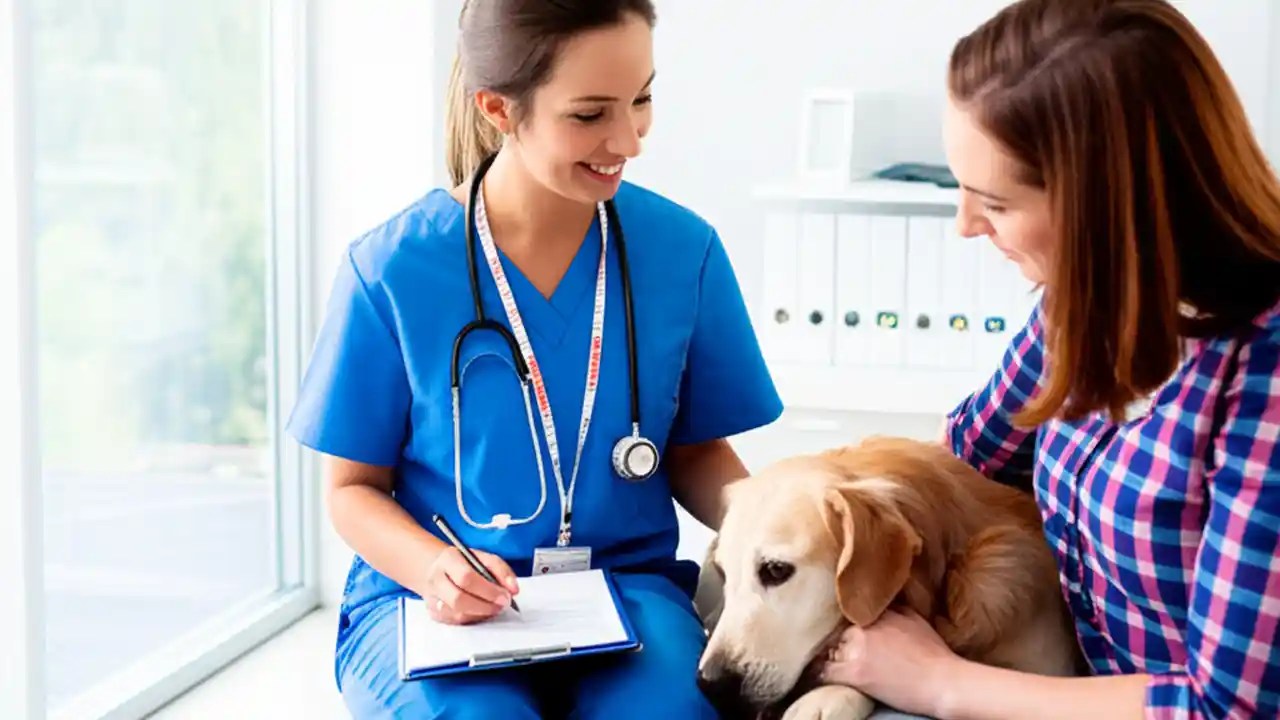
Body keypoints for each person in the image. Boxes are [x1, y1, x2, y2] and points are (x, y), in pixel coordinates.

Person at [285, 1, 782, 717]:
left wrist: (782, 525)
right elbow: (350, 488)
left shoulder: (681, 252)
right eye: (590, 115)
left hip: (625, 591)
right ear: (497, 108)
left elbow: (694, 452)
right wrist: (434, 568)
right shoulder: (391, 269)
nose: (628, 140)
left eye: (640, 100)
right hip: (439, 601)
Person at [817, 1, 1280, 718]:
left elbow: (1227, 708)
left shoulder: (1262, 383)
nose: (967, 226)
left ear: (1104, 208)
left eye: (995, 204)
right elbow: (969, 454)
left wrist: (939, 682)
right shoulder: (1080, 308)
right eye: (961, 189)